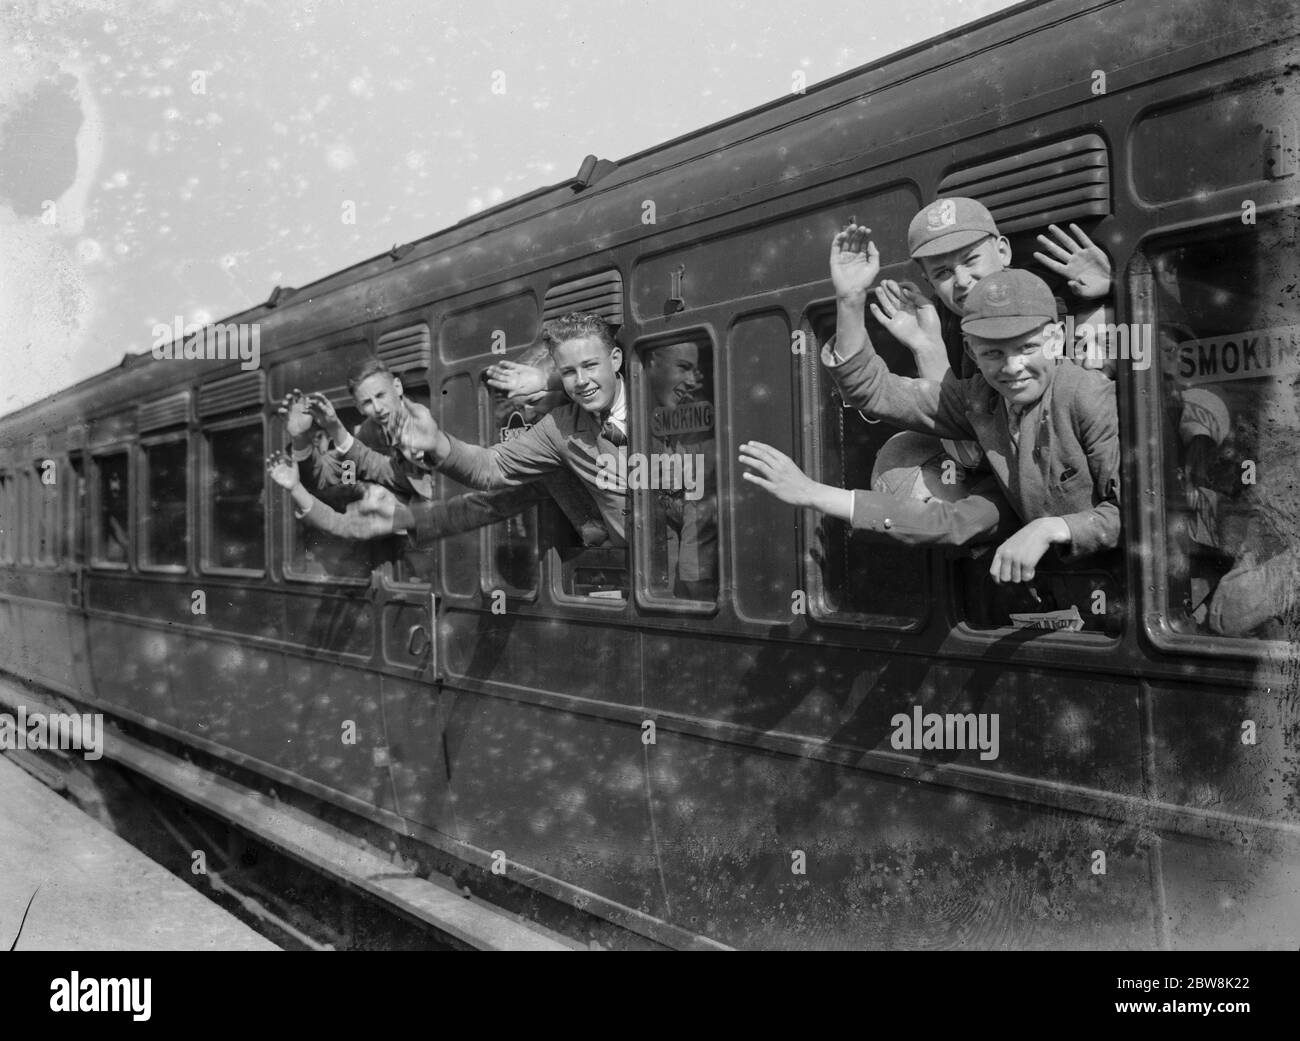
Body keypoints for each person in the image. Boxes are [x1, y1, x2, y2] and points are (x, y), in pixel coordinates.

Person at [823, 260, 1120, 583]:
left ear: (1055, 339)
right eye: (993, 353)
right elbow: (872, 391)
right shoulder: (980, 400)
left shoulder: (1084, 392)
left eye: (1027, 347)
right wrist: (850, 300)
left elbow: (1132, 510)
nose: (1013, 366)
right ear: (973, 353)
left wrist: (1053, 527)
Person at [844, 198, 1113, 499]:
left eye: (971, 260)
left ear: (1002, 251)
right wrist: (926, 345)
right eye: (943, 272)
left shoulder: (1059, 301)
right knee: (900, 457)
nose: (961, 280)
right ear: (928, 280)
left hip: (1093, 496)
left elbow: (1137, 371)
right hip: (1027, 499)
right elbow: (966, 450)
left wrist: (1111, 296)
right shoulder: (950, 330)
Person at [390, 312, 633, 544]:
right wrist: (437, 443)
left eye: (590, 365)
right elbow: (491, 467)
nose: (580, 380)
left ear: (615, 360)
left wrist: (547, 380)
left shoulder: (652, 398)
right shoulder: (558, 429)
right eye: (568, 372)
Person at [644, 342, 718, 599]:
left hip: (692, 521)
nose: (690, 381)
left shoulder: (697, 416)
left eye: (695, 371)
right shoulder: (639, 407)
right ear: (652, 362)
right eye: (683, 368)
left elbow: (702, 501)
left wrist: (693, 572)